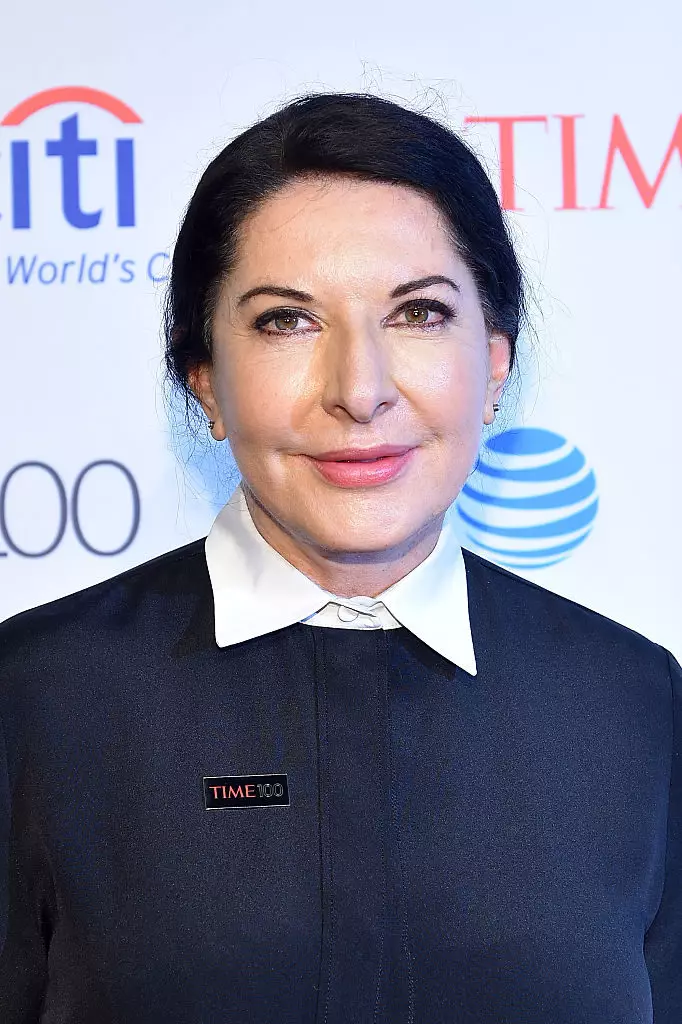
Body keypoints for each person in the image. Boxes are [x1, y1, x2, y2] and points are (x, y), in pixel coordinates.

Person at [0, 91, 679, 1024]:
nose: (359, 391)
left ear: (495, 360)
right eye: (287, 320)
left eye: (419, 313)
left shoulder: (633, 702)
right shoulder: (39, 696)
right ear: (204, 377)